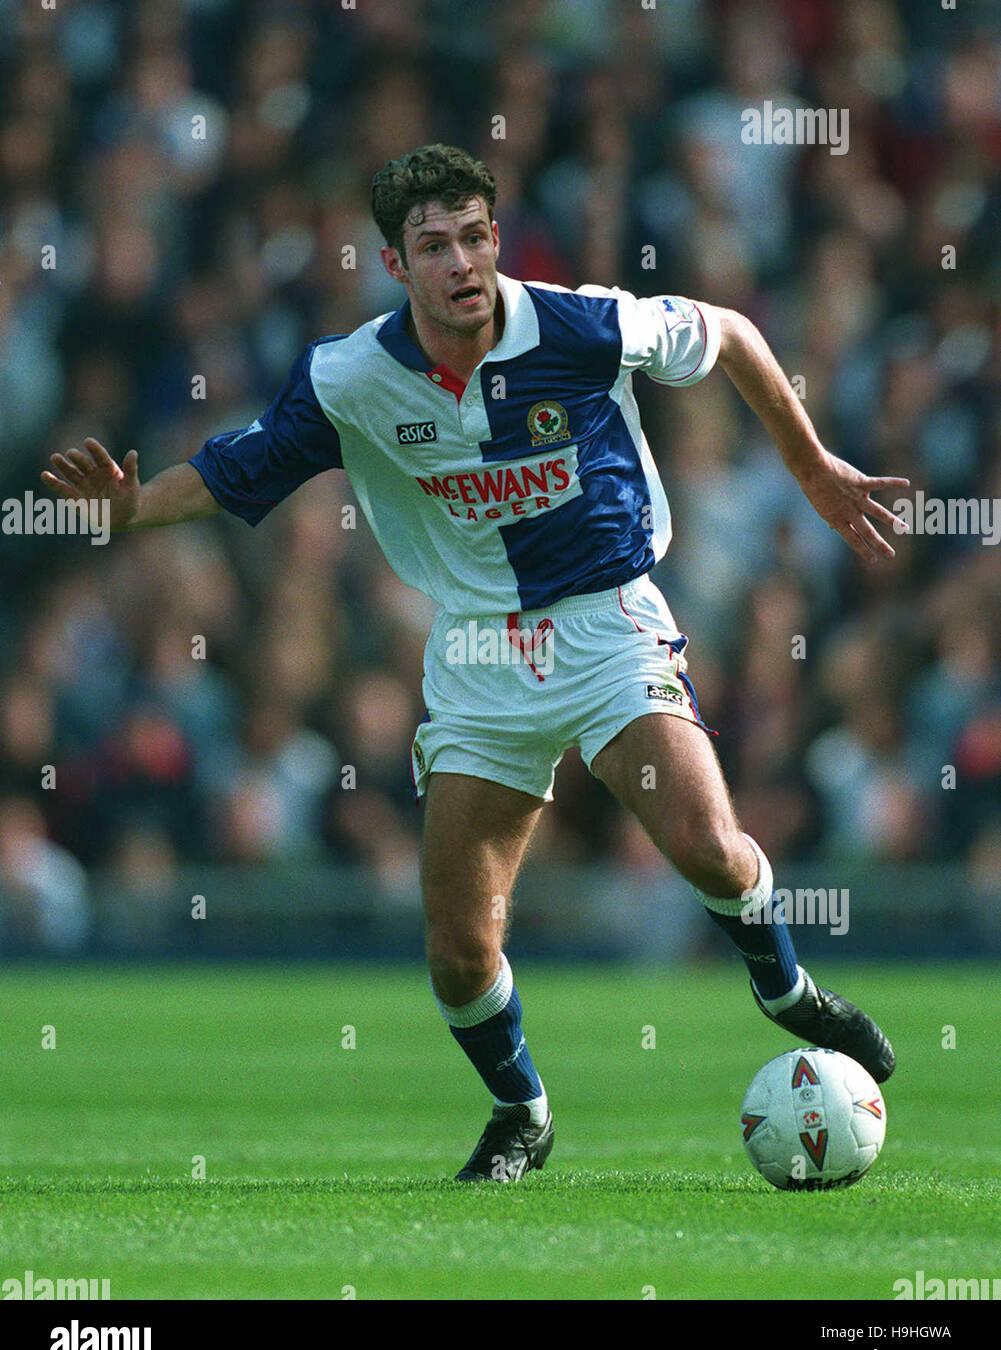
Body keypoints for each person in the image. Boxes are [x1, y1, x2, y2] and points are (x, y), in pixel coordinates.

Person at [43, 144, 903, 1183]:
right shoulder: (350, 376)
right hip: (477, 652)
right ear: (394, 264)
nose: (460, 261)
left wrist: (809, 465)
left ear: (495, 238)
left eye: (472, 235)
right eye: (432, 244)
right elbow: (239, 469)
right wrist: (135, 506)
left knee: (706, 846)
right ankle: (521, 1113)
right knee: (456, 953)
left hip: (605, 620)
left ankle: (785, 993)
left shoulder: (579, 325)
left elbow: (725, 333)